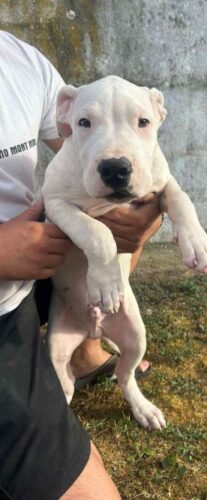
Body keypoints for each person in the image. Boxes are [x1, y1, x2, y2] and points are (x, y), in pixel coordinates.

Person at [0, 30, 162, 498]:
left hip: (37, 260)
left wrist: (140, 206)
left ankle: (88, 350)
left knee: (108, 235)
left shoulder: (21, 59)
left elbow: (86, 147)